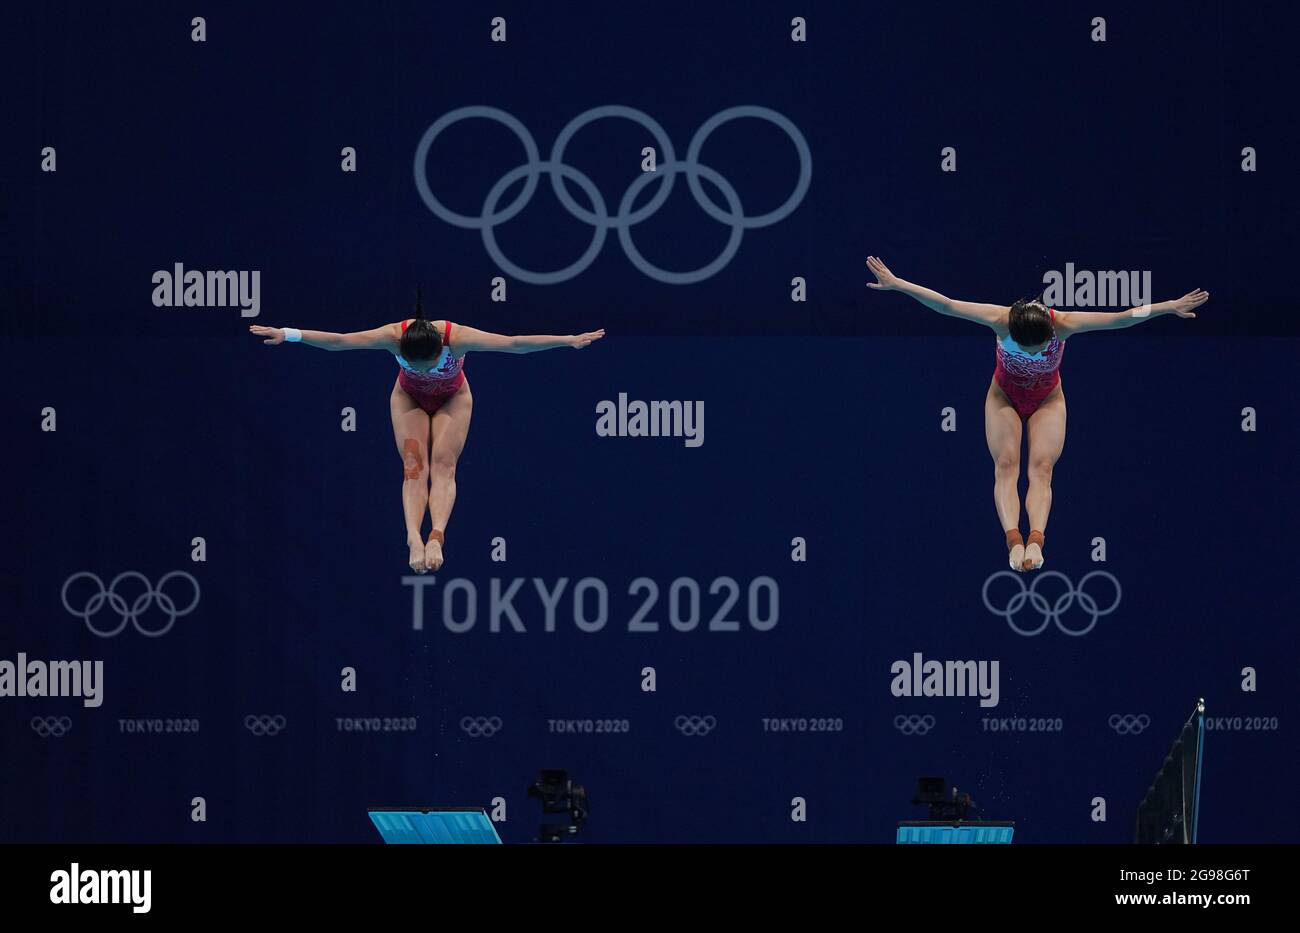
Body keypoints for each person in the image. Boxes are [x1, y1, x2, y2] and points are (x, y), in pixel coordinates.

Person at [866, 256, 1208, 571]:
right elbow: (947, 305)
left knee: (1042, 468)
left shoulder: (1066, 324)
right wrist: (899, 285)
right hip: (1004, 397)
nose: (1033, 354)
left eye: (1040, 349)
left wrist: (1168, 307)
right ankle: (1014, 541)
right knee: (1006, 464)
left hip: (1048, 398)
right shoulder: (1001, 320)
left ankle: (1036, 541)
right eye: (1026, 349)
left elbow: (1121, 318)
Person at [251, 292, 604, 572]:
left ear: (441, 349)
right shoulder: (392, 336)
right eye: (416, 364)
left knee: (444, 465)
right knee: (413, 467)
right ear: (402, 350)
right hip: (408, 397)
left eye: (430, 364)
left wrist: (567, 340)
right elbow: (341, 341)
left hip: (454, 397)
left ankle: (436, 536)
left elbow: (514, 344)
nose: (425, 368)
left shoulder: (458, 337)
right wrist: (289, 335)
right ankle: (412, 539)